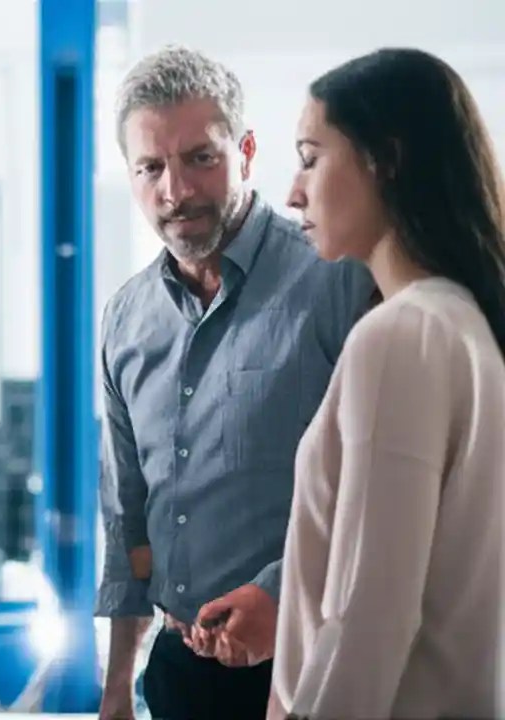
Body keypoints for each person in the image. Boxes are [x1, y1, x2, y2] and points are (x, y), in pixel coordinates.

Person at [94, 46, 375, 720]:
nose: (176, 191)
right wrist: (116, 689)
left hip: (310, 664)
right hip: (175, 676)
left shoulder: (337, 277)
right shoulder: (125, 318)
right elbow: (128, 513)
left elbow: (374, 482)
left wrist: (282, 593)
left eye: (201, 158)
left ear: (245, 151)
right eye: (151, 168)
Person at [269, 47, 505, 720]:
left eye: (311, 156)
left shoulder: (401, 335)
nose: (292, 191)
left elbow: (368, 616)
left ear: (386, 159)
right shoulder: (465, 325)